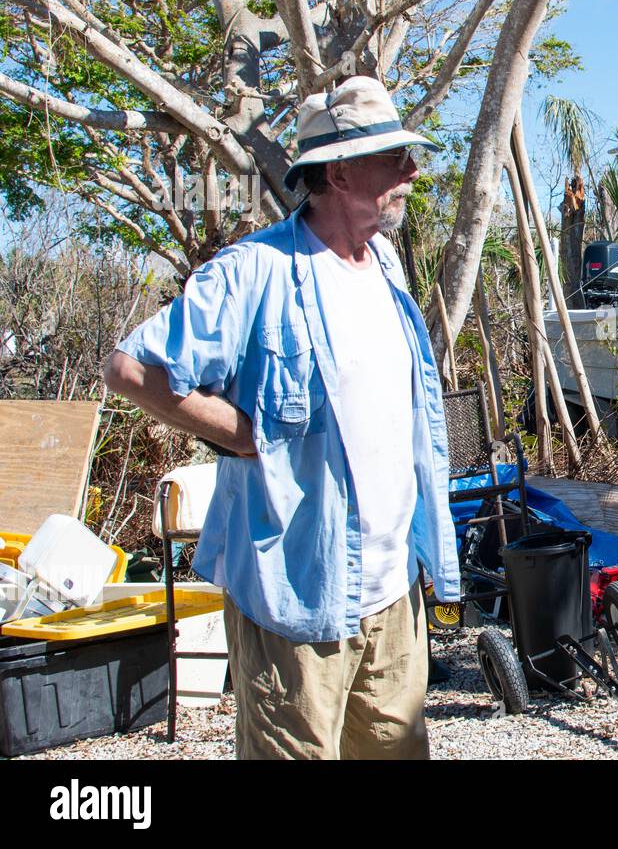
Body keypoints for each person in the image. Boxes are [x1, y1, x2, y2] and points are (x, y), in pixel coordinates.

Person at [104, 75, 460, 759]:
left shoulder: (384, 264)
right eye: (394, 158)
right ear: (339, 171)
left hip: (392, 592)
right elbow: (130, 369)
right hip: (298, 588)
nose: (413, 171)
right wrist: (241, 436)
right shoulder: (254, 271)